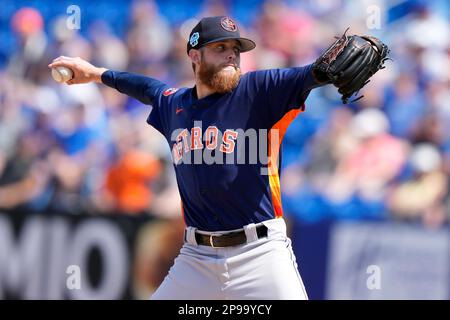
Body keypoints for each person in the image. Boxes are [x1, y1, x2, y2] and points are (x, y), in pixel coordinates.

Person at [49, 16, 386, 299]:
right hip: (196, 257)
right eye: (220, 48)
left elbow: (307, 75)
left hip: (260, 253)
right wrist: (95, 73)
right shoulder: (173, 104)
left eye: (236, 50)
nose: (231, 56)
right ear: (195, 56)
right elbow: (146, 87)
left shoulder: (259, 90)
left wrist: (323, 72)